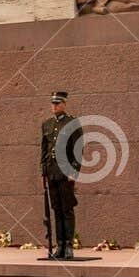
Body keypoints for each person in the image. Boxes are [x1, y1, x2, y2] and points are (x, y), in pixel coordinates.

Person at [40, 90, 83, 260]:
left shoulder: (73, 123)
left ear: (64, 104)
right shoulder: (47, 124)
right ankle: (60, 245)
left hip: (66, 172)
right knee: (56, 209)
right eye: (53, 103)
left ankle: (68, 245)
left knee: (67, 209)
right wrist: (43, 171)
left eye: (57, 103)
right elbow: (44, 150)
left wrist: (74, 171)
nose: (54, 106)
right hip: (51, 172)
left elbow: (78, 148)